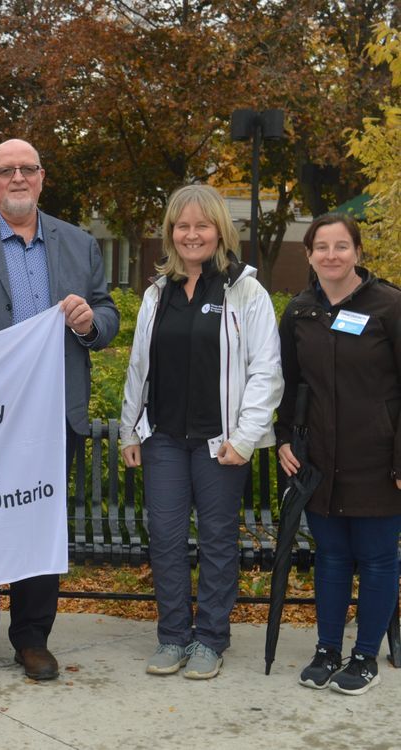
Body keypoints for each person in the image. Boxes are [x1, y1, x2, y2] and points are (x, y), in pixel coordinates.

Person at [0, 138, 120, 681]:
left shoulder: (78, 242)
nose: (18, 178)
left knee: (40, 522)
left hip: (53, 411)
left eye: (28, 169)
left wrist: (90, 322)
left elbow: (107, 313)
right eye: (5, 170)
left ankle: (33, 637)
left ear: (41, 178)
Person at [120, 184, 282, 680]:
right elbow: (139, 367)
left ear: (219, 231)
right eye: (182, 226)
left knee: (216, 542)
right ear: (171, 232)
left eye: (202, 225)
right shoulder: (157, 293)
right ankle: (172, 636)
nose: (192, 235)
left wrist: (246, 438)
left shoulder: (245, 291)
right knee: (166, 540)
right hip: (163, 439)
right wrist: (130, 431)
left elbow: (266, 372)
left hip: (221, 444)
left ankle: (210, 639)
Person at [276, 213, 401, 695]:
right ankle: (327, 650)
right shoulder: (300, 311)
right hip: (320, 462)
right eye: (322, 247)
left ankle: (365, 656)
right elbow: (288, 384)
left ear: (358, 252)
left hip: (379, 461)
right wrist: (285, 438)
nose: (332, 255)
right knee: (330, 557)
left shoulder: (389, 306)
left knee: (376, 559)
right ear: (309, 255)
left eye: (341, 246)